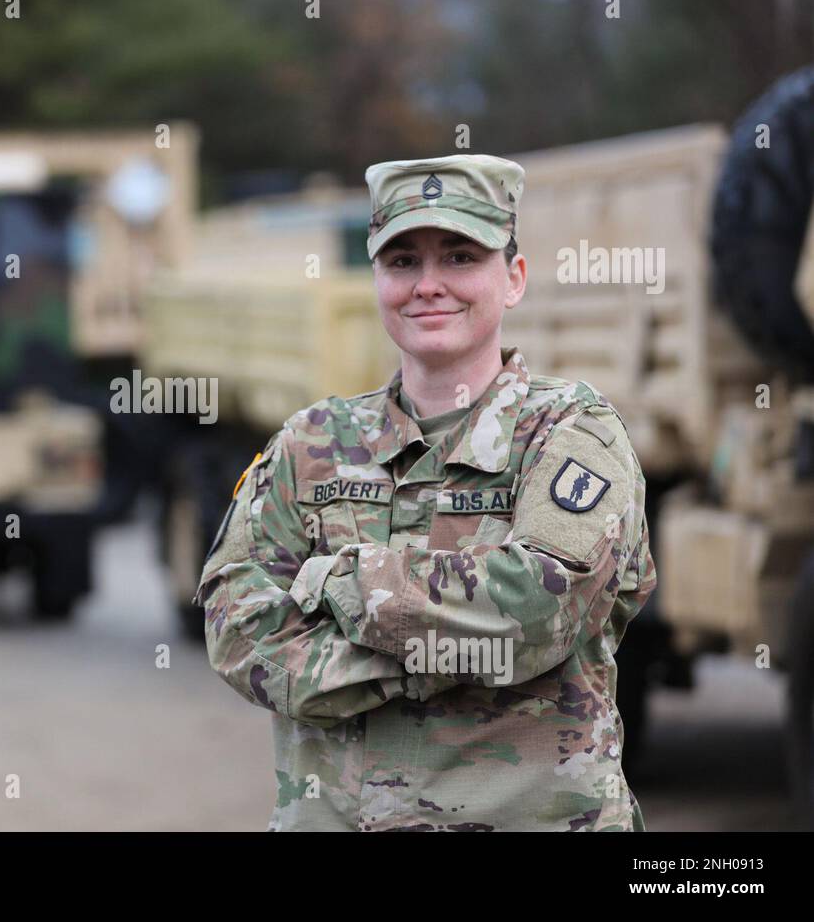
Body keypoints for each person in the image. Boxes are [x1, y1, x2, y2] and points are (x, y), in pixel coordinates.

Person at [194, 154, 657, 831]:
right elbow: (236, 629)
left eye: (461, 257)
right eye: (402, 262)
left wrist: (341, 585)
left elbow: (539, 609)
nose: (428, 285)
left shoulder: (572, 433)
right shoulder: (311, 442)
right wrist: (437, 658)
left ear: (515, 278)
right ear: (377, 278)